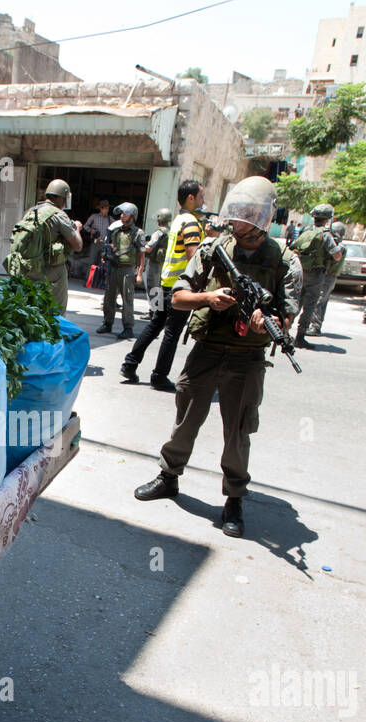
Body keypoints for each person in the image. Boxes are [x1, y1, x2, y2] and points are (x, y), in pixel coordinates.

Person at [133, 177, 302, 538]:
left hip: (248, 359)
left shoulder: (284, 262)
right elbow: (177, 297)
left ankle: (234, 499)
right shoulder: (212, 250)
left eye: (246, 214)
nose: (237, 220)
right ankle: (168, 476)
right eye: (236, 212)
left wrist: (268, 321)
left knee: (238, 432)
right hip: (206, 351)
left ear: (262, 217)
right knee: (186, 420)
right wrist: (208, 299)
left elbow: (287, 316)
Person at [120, 179, 205, 390]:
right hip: (179, 287)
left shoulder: (178, 220)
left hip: (162, 283)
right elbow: (194, 255)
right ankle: (159, 376)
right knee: (172, 331)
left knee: (155, 324)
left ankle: (129, 364)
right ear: (191, 198)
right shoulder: (191, 223)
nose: (204, 200)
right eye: (201, 196)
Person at [5, 179, 83, 313]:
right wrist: (77, 229)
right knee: (56, 312)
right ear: (61, 198)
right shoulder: (59, 215)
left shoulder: (31, 211)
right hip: (52, 271)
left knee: (31, 309)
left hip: (29, 267)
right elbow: (77, 246)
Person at [291, 202, 343, 346]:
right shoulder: (325, 235)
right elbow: (337, 256)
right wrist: (340, 247)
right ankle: (300, 337)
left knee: (296, 302)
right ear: (327, 219)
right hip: (316, 274)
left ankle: (284, 330)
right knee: (310, 305)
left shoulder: (306, 231)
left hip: (300, 271)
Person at [99, 202, 146, 339]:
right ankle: (107, 323)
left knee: (127, 300)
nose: (122, 216)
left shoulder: (138, 233)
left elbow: (141, 254)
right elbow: (110, 245)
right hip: (113, 268)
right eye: (122, 213)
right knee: (109, 298)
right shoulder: (116, 230)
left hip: (127, 270)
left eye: (125, 213)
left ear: (132, 216)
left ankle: (128, 328)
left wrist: (139, 273)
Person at [136, 207, 173, 330]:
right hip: (163, 263)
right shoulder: (169, 231)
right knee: (159, 288)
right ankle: (158, 312)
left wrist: (139, 247)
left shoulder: (159, 232)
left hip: (155, 263)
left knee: (153, 287)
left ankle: (154, 313)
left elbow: (149, 248)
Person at [310, 220, 347, 333]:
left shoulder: (339, 246)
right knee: (322, 301)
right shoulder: (340, 245)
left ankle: (315, 327)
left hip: (328, 276)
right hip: (329, 277)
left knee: (319, 301)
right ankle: (317, 325)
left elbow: (332, 257)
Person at [77, 199, 114, 279]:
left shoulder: (109, 219)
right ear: (101, 208)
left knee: (102, 262)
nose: (107, 210)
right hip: (95, 242)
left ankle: (98, 280)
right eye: (105, 208)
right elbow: (85, 226)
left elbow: (115, 227)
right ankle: (88, 279)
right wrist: (91, 230)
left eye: (108, 209)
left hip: (105, 243)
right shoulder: (94, 217)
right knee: (92, 261)